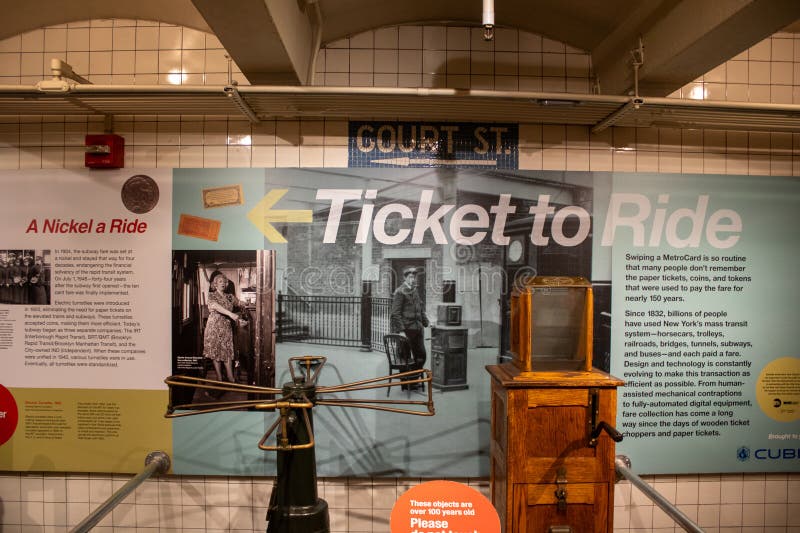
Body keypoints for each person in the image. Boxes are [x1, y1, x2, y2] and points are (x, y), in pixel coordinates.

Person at [390, 266, 429, 385]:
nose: (413, 279)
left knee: (421, 355)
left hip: (417, 329)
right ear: (405, 278)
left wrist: (426, 322)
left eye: (414, 277)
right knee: (405, 357)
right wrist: (401, 331)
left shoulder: (414, 290)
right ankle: (405, 382)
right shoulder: (400, 291)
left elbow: (420, 308)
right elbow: (395, 314)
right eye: (411, 277)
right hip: (406, 330)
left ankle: (413, 379)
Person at [203, 270, 243, 384]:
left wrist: (246, 305)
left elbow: (240, 303)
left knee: (227, 351)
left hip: (226, 326)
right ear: (215, 284)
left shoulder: (230, 297)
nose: (223, 283)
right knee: (216, 351)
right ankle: (220, 378)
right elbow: (215, 306)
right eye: (220, 281)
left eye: (224, 282)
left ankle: (231, 378)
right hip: (214, 326)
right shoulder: (212, 295)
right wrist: (231, 314)